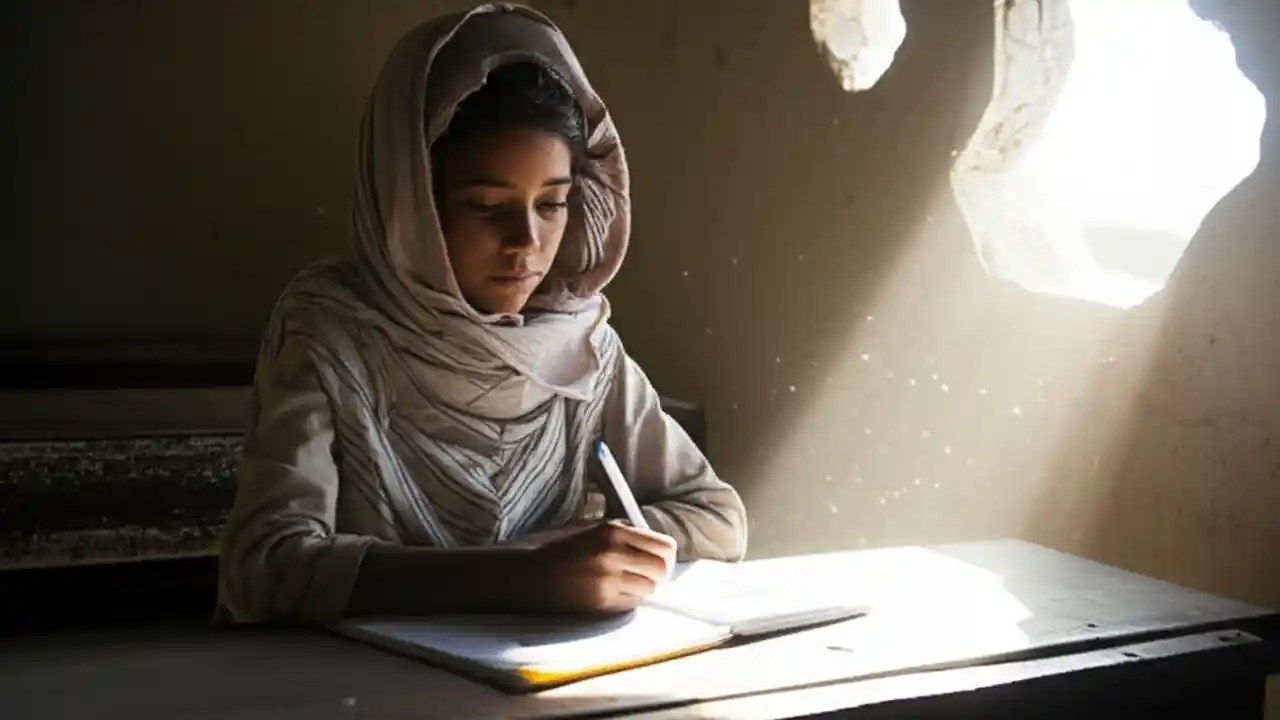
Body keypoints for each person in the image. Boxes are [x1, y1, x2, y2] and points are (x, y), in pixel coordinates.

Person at [217, 3, 747, 624]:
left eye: (552, 204)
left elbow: (717, 518)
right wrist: (522, 577)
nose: (527, 243)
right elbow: (269, 566)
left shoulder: (580, 349)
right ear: (412, 203)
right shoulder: (330, 334)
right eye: (486, 206)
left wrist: (577, 551)